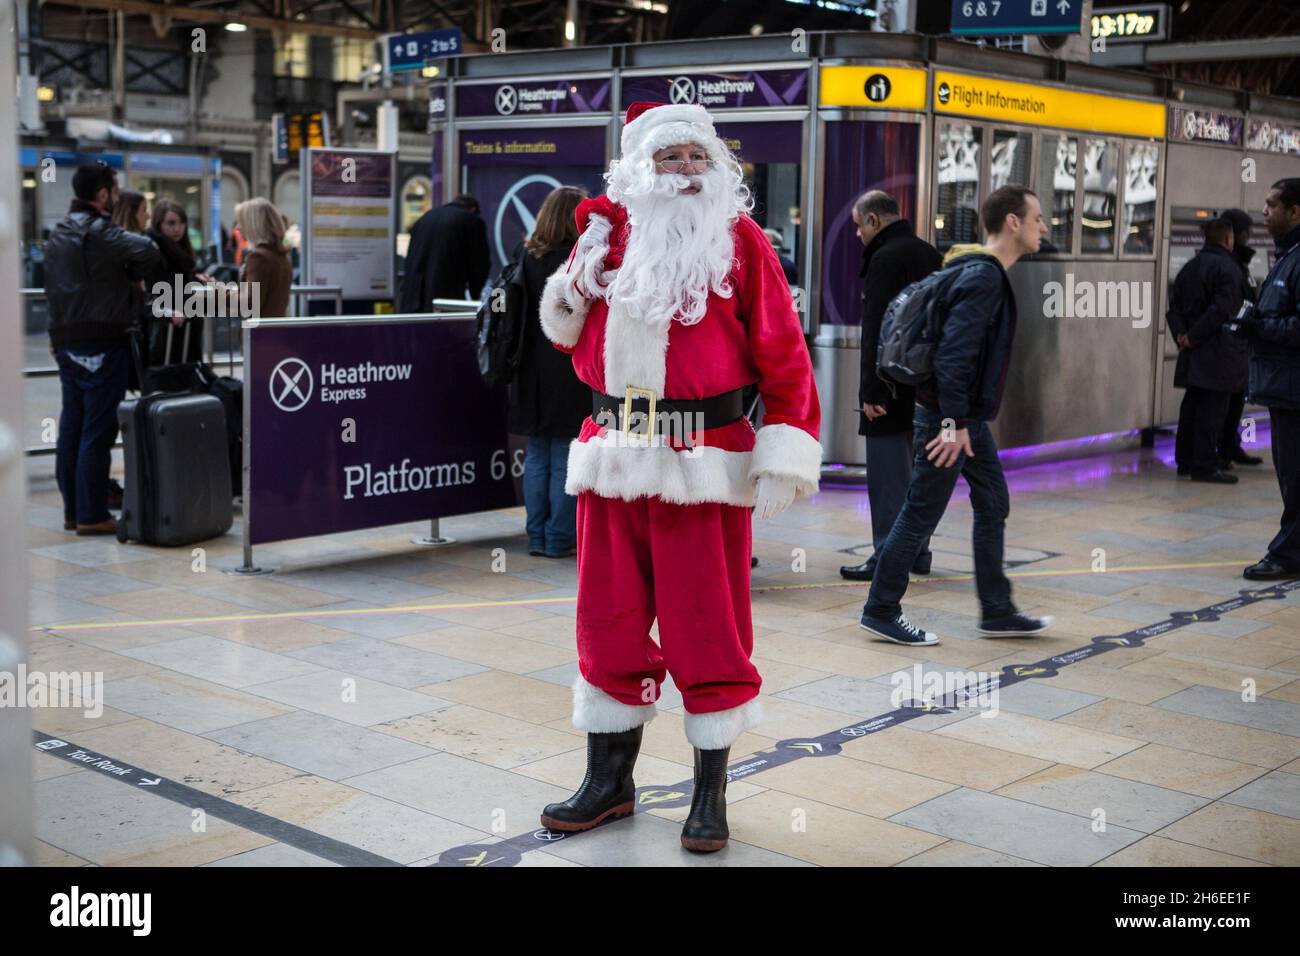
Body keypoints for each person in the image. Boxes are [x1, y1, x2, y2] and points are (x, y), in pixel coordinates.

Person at [535, 101, 821, 851]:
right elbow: (565, 337)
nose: (687, 171)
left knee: (708, 629)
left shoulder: (743, 242)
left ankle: (709, 794)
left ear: (718, 168)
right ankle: (609, 783)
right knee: (607, 622)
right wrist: (575, 280)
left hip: (705, 461)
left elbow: (785, 353)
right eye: (670, 158)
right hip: (612, 454)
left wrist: (784, 450)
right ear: (639, 167)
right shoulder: (606, 236)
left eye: (698, 157)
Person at [859, 184, 1052, 646]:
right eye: (1037, 218)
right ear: (1013, 222)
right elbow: (953, 356)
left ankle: (998, 610)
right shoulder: (983, 277)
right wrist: (952, 424)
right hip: (946, 418)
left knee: (993, 501)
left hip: (961, 418)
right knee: (921, 512)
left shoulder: (970, 267)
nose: (1044, 227)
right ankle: (881, 609)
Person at [45, 162, 161, 534]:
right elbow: (148, 249)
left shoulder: (57, 233)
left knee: (72, 428)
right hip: (103, 342)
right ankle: (92, 515)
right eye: (113, 189)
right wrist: (129, 274)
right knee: (97, 431)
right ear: (102, 195)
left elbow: (52, 288)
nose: (115, 195)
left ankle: (72, 511)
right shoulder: (101, 232)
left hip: (66, 342)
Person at [840, 190, 942, 582]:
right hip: (925, 383)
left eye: (858, 225)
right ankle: (918, 550)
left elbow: (876, 330)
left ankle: (887, 554)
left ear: (874, 221)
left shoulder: (885, 258)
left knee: (887, 476)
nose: (856, 234)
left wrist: (872, 391)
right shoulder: (928, 253)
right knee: (918, 472)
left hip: (890, 384)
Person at [510, 186, 591, 558]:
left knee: (538, 453)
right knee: (564, 454)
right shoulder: (578, 261)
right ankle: (559, 537)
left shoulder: (525, 256)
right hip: (567, 367)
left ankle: (537, 536)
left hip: (529, 368)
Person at [1238, 178, 1300, 580]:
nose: (1265, 211)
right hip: (1284, 388)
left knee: (1296, 476)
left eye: (1272, 204)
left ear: (1295, 212)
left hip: (1295, 389)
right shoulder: (1286, 256)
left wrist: (1259, 327)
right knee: (1291, 474)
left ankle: (1288, 553)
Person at [1168, 216, 1247, 484]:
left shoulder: (1189, 268)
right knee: (1212, 412)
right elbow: (1222, 310)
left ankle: (1185, 461)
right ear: (1228, 239)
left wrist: (1182, 335)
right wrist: (1194, 336)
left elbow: (1174, 308)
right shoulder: (1229, 269)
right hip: (1218, 352)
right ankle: (1204, 464)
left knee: (1191, 407)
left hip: (1192, 353)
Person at [1219, 207, 1265, 470]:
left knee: (1236, 400)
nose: (1251, 236)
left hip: (1240, 342)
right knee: (1224, 403)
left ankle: (1231, 446)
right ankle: (1222, 450)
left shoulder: (1240, 263)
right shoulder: (1230, 264)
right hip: (1230, 342)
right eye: (1246, 231)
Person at [398, 194, 491, 312]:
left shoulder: (425, 218)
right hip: (445, 298)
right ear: (472, 209)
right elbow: (479, 263)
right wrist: (475, 293)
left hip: (414, 296)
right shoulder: (471, 220)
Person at [146, 199, 207, 364]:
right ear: (159, 224)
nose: (177, 228)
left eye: (181, 223)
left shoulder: (180, 250)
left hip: (185, 322)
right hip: (169, 325)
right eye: (171, 223)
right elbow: (159, 288)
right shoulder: (154, 250)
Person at [235, 198, 291, 319]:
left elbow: (248, 304)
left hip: (256, 334)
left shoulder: (259, 258)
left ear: (253, 224)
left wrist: (218, 291)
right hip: (273, 332)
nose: (238, 227)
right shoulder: (281, 256)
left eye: (241, 222)